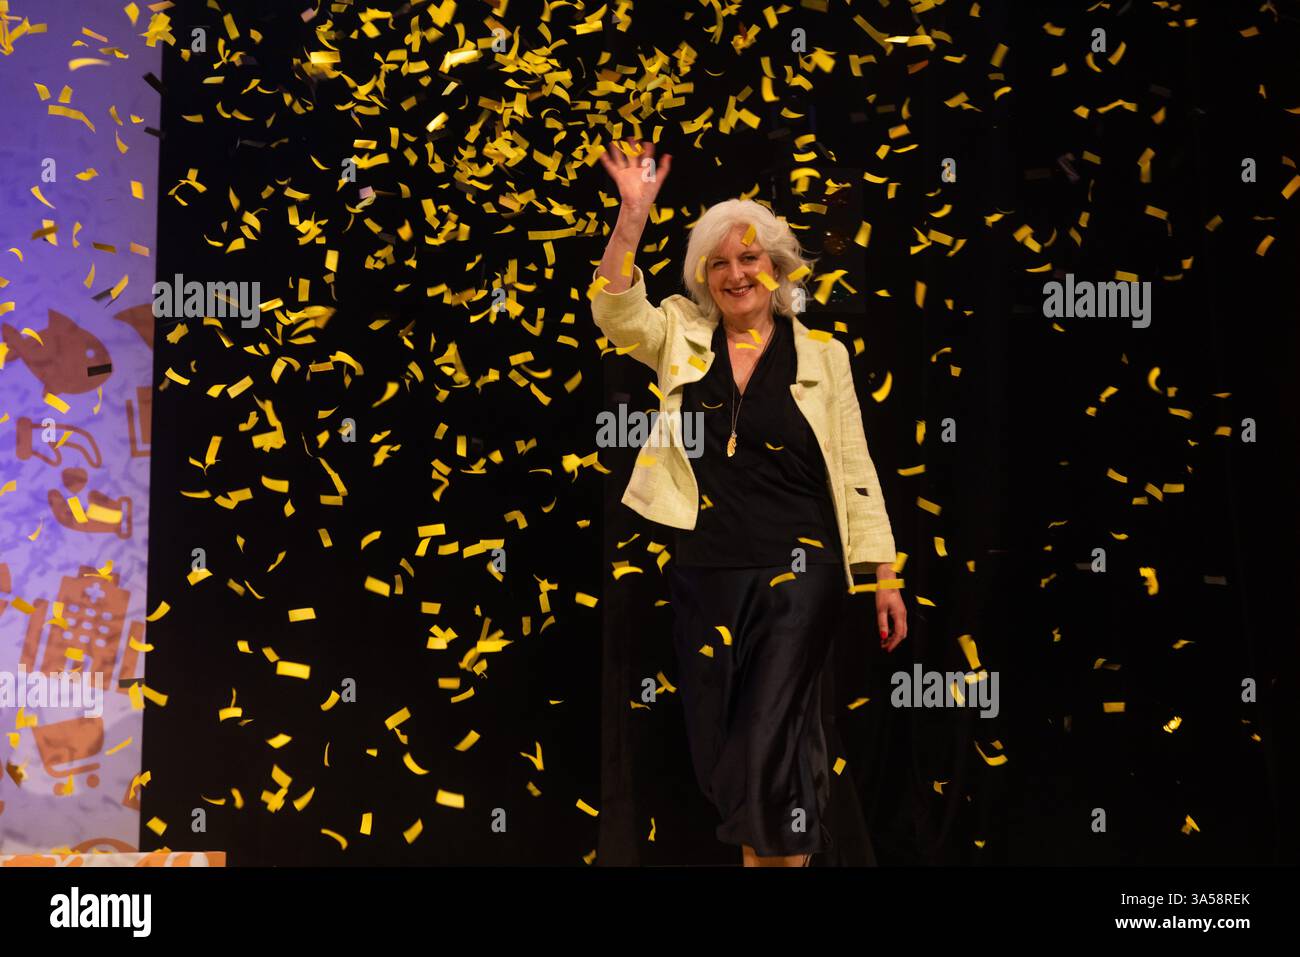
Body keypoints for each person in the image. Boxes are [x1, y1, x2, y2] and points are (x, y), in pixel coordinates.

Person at [591, 139, 907, 867]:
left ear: (778, 267)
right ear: (706, 276)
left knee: (766, 737)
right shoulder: (679, 331)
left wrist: (883, 575)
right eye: (721, 262)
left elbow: (856, 467)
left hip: (803, 571)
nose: (737, 273)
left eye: (751, 257)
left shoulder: (824, 355)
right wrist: (633, 215)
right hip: (706, 569)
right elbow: (615, 310)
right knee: (730, 754)